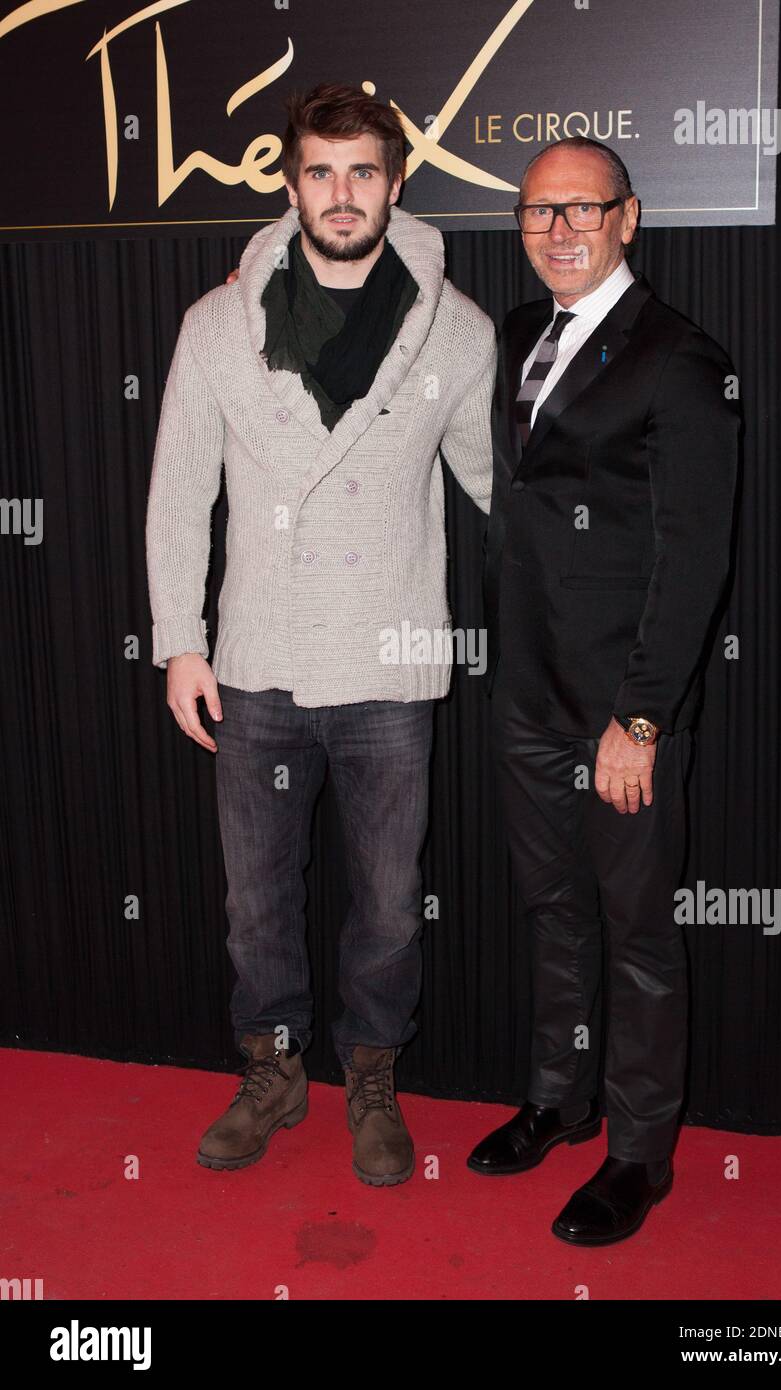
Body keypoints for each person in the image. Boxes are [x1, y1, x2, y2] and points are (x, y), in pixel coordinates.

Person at [145, 83, 495, 1187]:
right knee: (258, 900)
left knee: (389, 903)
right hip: (254, 662)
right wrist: (177, 640)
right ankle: (272, 1069)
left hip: (389, 666)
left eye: (361, 172)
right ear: (290, 182)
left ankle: (373, 1078)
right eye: (318, 172)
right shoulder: (216, 324)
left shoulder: (459, 329)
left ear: (394, 183)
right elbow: (175, 495)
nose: (340, 195)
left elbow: (503, 492)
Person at [469, 136, 741, 1244]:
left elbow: (693, 559)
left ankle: (637, 1152)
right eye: (538, 213)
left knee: (634, 933)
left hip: (619, 711)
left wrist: (638, 719)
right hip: (524, 692)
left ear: (627, 218)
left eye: (581, 209)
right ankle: (558, 1098)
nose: (559, 230)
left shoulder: (677, 358)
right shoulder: (517, 332)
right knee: (549, 913)